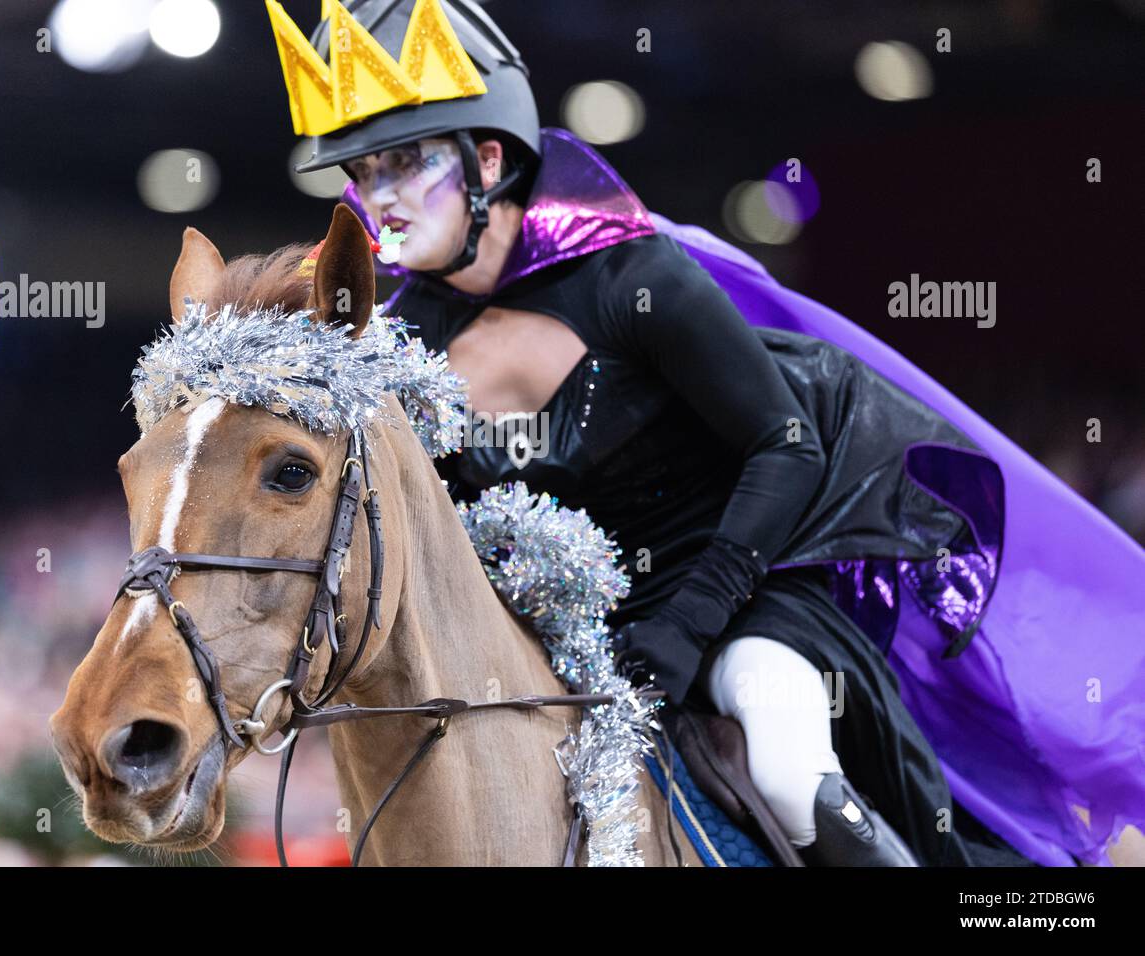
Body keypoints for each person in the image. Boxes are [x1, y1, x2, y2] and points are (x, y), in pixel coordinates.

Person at [268, 0, 1145, 866]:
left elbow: (787, 446)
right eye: (365, 172)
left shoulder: (634, 277)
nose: (377, 199)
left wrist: (691, 624)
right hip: (576, 629)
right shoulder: (404, 342)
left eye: (406, 163)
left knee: (789, 763)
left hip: (746, 597)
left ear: (487, 157)